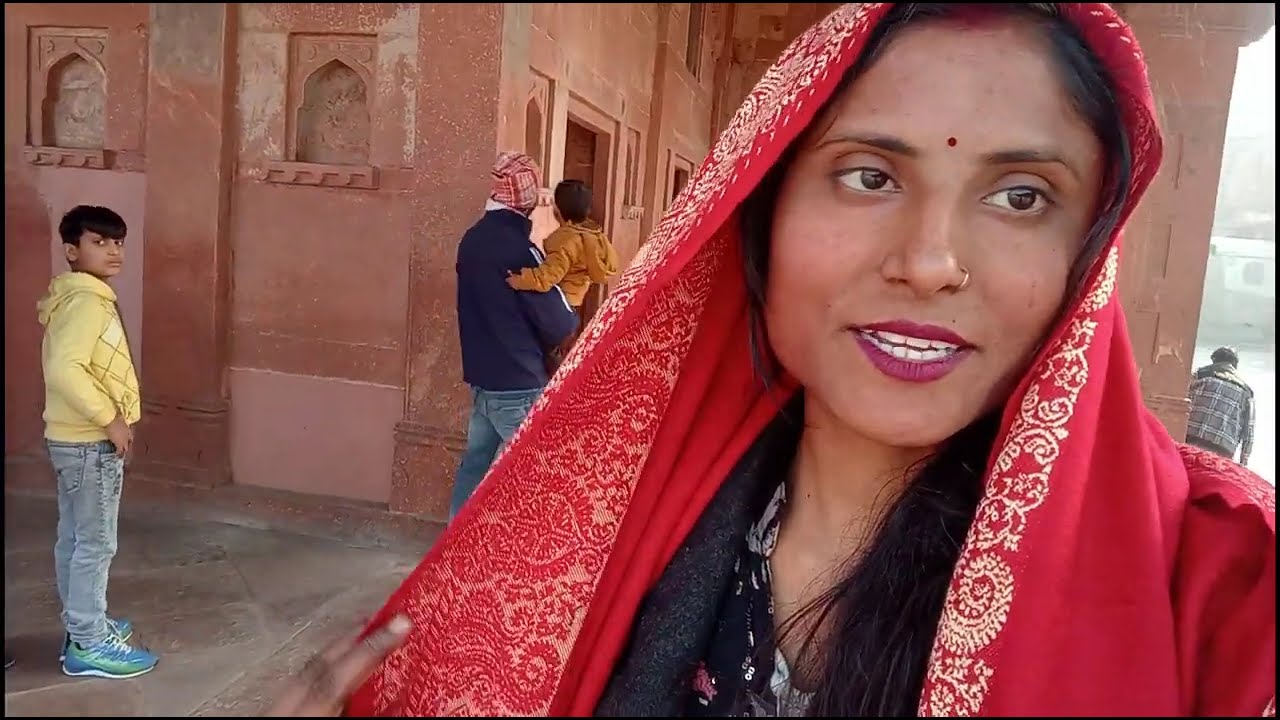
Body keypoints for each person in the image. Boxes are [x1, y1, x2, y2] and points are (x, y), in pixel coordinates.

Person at [270, 4, 1276, 717]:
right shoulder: (611, 527)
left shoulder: (1219, 597)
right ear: (755, 223)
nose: (929, 262)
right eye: (868, 175)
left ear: (1084, 258)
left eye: (1020, 195)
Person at [39, 205, 157, 678]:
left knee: (76, 537)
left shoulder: (80, 298)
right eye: (98, 242)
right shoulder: (87, 303)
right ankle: (88, 643)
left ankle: (83, 622)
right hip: (90, 442)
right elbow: (65, 369)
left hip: (72, 440)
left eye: (118, 242)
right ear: (72, 250)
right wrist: (111, 419)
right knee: (96, 543)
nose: (112, 250)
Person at [450, 152, 579, 520]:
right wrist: (574, 311)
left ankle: (451, 553)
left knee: (474, 469)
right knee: (541, 477)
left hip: (484, 382)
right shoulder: (520, 249)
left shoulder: (470, 240)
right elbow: (559, 323)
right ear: (526, 202)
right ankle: (527, 562)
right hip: (518, 384)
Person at [506, 179, 621, 365]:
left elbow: (547, 278)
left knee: (550, 359)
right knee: (563, 353)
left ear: (556, 209)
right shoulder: (592, 236)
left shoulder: (566, 241)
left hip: (557, 306)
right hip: (573, 305)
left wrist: (519, 279)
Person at [1186, 346, 1256, 465]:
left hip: (1190, 437)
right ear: (1235, 365)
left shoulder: (1200, 377)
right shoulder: (1246, 392)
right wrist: (1243, 462)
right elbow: (1248, 432)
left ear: (1214, 360)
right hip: (1223, 449)